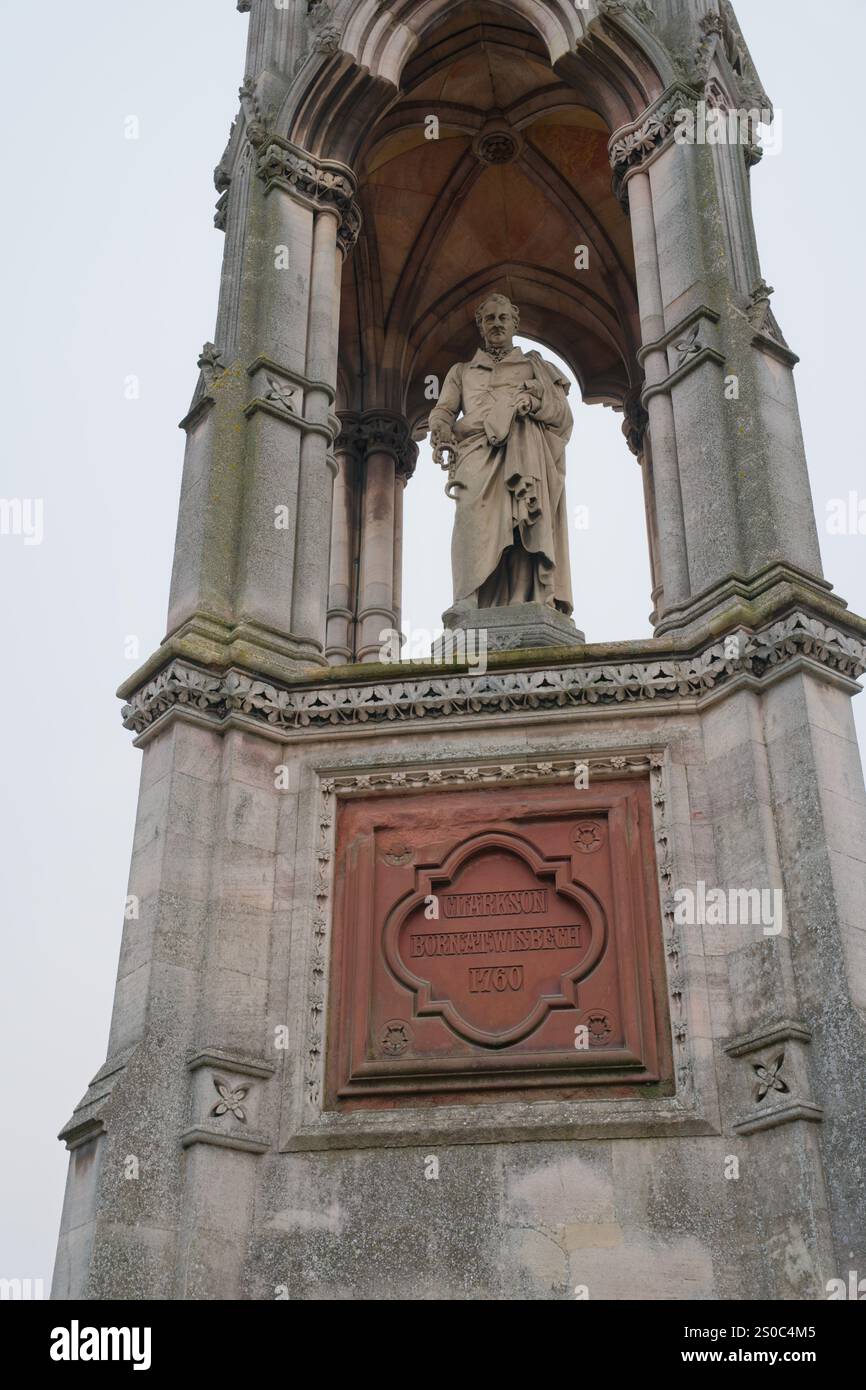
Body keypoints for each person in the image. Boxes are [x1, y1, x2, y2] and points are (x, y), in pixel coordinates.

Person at [429, 292, 574, 614]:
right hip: (475, 452)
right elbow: (444, 411)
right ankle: (467, 597)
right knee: (469, 514)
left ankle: (529, 599)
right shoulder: (462, 371)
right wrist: (440, 434)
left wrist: (532, 403)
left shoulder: (535, 366)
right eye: (489, 318)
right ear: (480, 326)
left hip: (524, 448)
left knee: (525, 517)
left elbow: (562, 415)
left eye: (502, 318)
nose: (496, 324)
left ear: (514, 323)